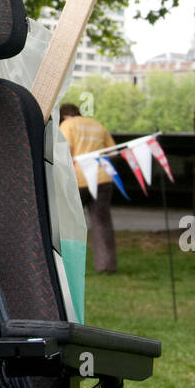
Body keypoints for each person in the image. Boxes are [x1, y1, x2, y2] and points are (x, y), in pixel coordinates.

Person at [58, 103, 118, 274]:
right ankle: (107, 265)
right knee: (102, 222)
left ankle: (67, 265)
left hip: (78, 180)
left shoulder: (68, 125)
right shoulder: (97, 125)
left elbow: (66, 152)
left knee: (69, 223)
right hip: (103, 179)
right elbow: (113, 152)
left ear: (64, 116)